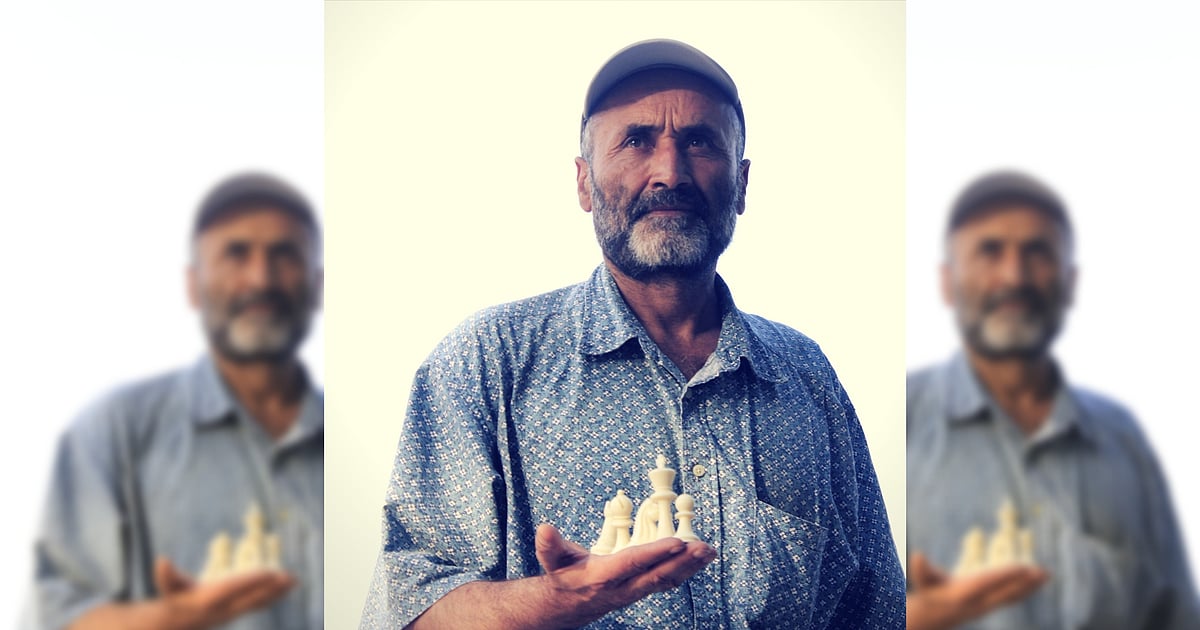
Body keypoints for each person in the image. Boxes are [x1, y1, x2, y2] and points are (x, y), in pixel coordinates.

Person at [361, 39, 904, 629]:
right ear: (584, 183)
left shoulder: (805, 375)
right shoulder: (486, 361)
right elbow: (407, 611)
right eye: (636, 141)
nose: (669, 172)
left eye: (699, 141)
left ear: (742, 183)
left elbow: (875, 609)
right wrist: (562, 601)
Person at [906, 171, 1200, 629]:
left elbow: (1176, 613)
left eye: (1037, 252)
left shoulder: (1122, 439)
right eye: (989, 250)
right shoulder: (901, 423)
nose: (1014, 275)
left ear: (1071, 280)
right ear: (946, 281)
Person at [30, 173, 324, 630]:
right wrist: (168, 619)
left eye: (284, 254)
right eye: (236, 253)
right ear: (192, 284)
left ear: (317, 283)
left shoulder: (360, 443)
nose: (260, 278)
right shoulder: (113, 432)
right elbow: (54, 614)